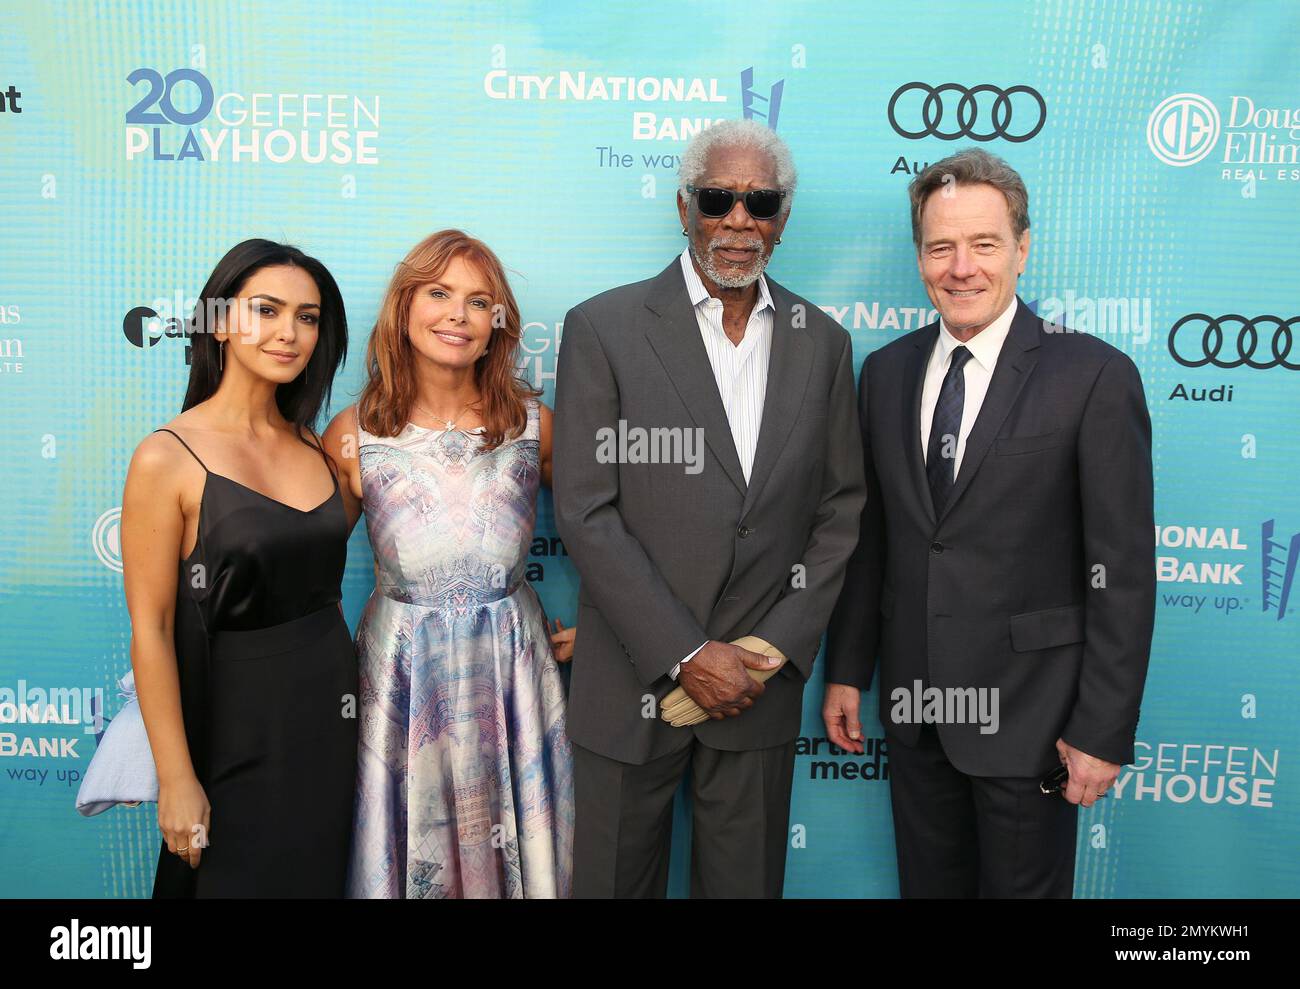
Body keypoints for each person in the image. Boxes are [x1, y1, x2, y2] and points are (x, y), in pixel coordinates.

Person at [824, 147, 1156, 898]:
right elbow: (873, 542)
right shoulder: (886, 373)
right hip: (917, 714)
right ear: (919, 257)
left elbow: (1124, 573)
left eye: (984, 244)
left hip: (1033, 718)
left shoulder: (1094, 376)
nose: (961, 266)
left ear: (1022, 248)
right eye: (941, 246)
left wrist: (1102, 730)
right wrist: (849, 669)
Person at [553, 119, 865, 898]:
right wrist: (688, 654)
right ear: (684, 205)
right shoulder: (604, 328)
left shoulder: (822, 342)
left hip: (760, 687)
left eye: (760, 202)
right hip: (631, 684)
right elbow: (587, 510)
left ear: (783, 219)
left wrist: (772, 648)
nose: (738, 220)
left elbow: (839, 510)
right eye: (719, 198)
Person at [324, 230, 574, 899]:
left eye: (477, 300)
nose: (457, 314)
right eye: (438, 293)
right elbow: (305, 569)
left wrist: (608, 630)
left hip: (511, 670)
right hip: (403, 669)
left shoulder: (532, 425)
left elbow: (606, 531)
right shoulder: (354, 434)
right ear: (403, 308)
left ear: (497, 324)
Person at [122, 239, 354, 897]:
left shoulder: (318, 444)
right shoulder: (165, 457)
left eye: (307, 317)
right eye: (266, 310)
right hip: (230, 736)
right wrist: (176, 777)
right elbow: (152, 627)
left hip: (330, 726)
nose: (289, 332)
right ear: (219, 321)